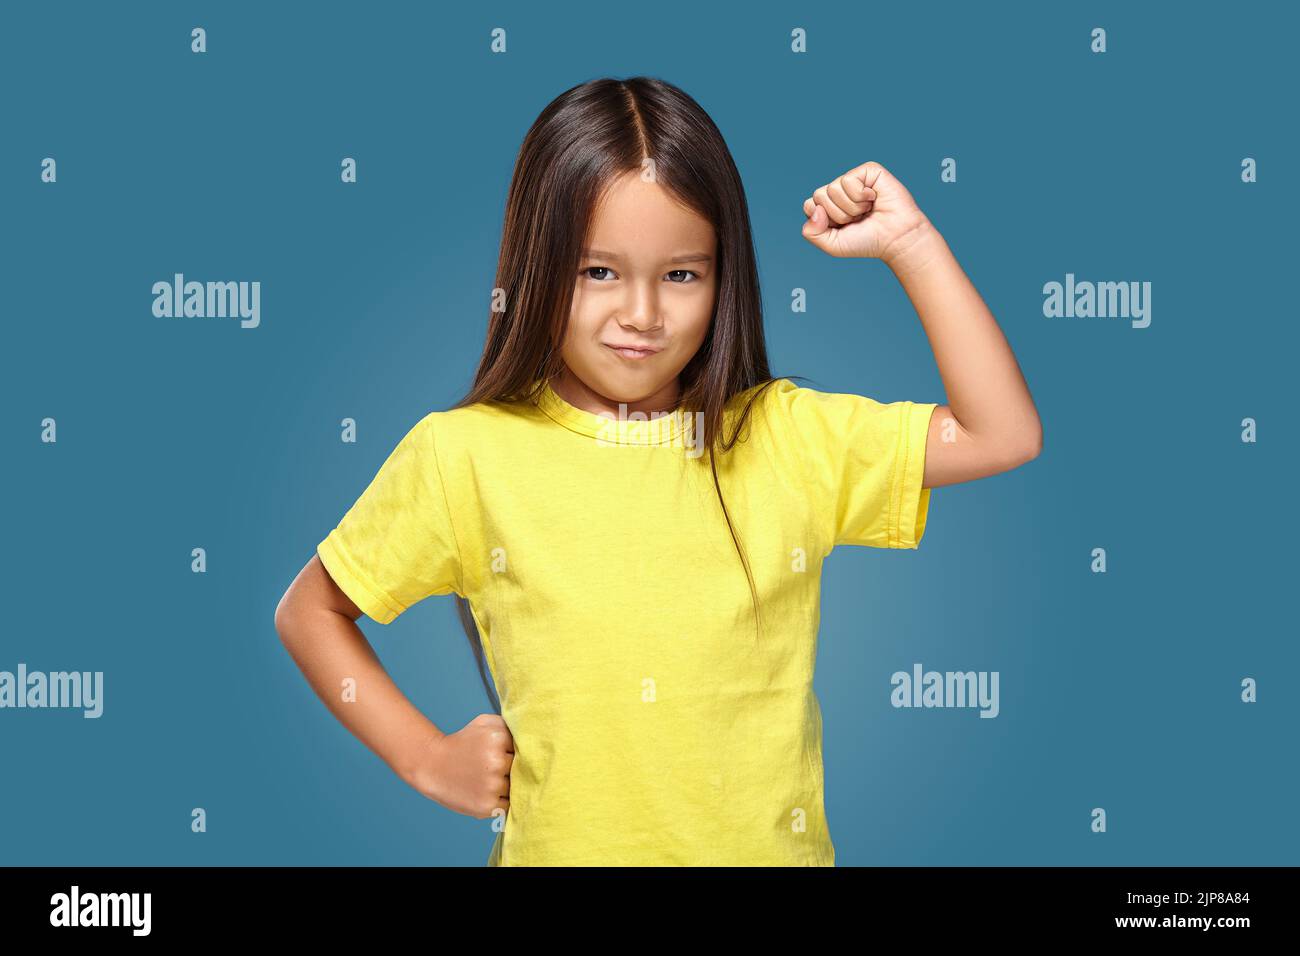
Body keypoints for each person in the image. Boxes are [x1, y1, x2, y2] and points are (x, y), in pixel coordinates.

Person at [274, 76, 1042, 866]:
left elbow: (1002, 434)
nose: (642, 315)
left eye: (681, 274)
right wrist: (426, 759)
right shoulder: (464, 455)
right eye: (598, 272)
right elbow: (311, 612)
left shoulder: (787, 438)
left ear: (723, 277)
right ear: (536, 266)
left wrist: (912, 246)